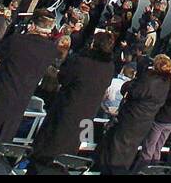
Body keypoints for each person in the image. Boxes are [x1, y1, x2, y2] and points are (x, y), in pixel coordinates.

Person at [0, 10, 58, 156]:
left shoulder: (17, 41)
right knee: (2, 141)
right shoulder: (52, 50)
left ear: (32, 25)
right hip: (20, 101)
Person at [28, 31, 118, 169]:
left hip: (68, 108)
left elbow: (64, 77)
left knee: (49, 147)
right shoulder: (109, 67)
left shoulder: (81, 61)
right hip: (87, 114)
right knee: (69, 149)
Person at [98, 54, 171, 173]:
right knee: (129, 151)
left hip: (132, 120)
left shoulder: (149, 80)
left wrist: (138, 78)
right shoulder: (166, 83)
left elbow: (132, 91)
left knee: (117, 150)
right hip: (144, 122)